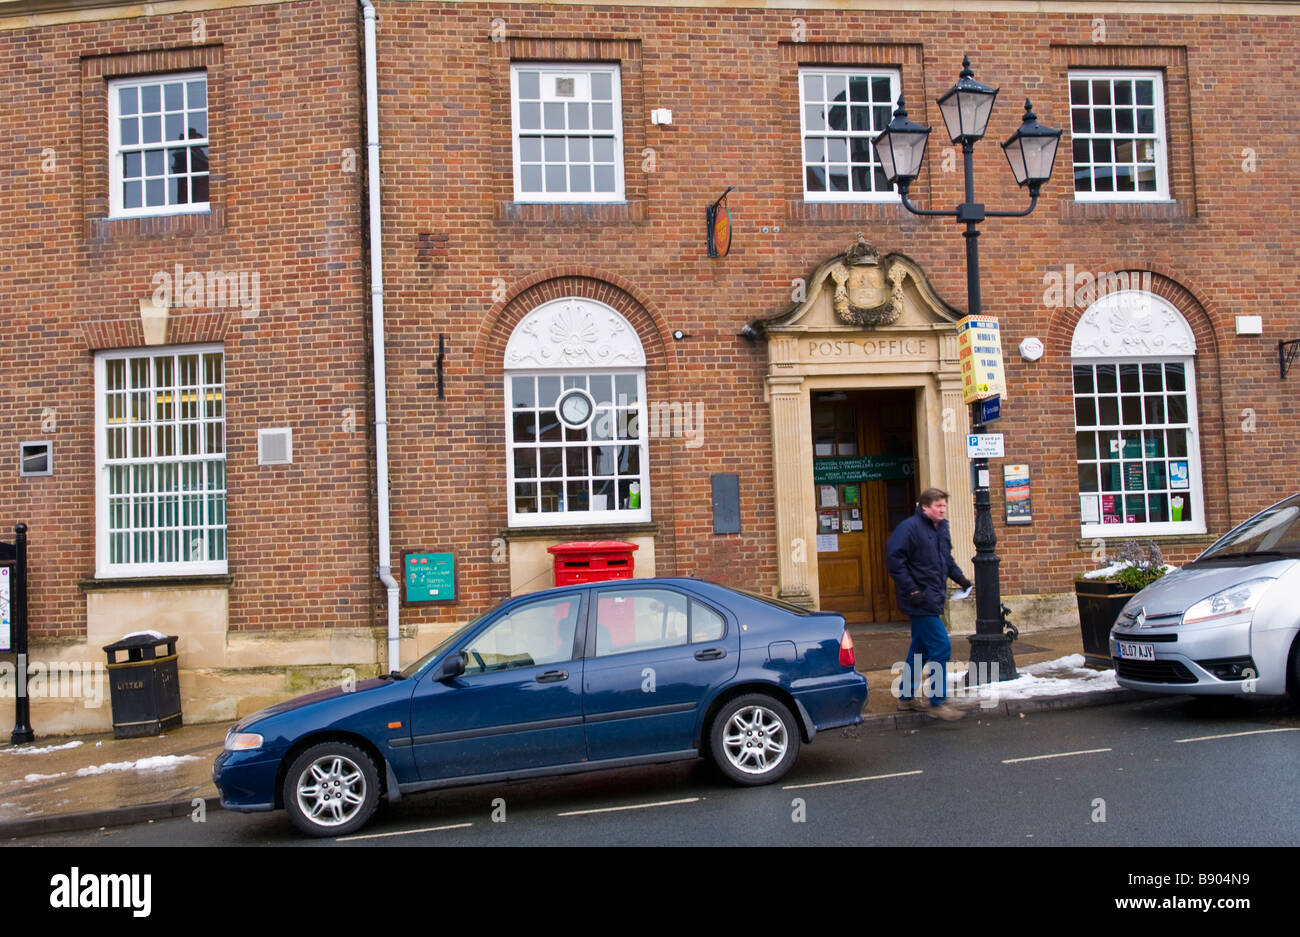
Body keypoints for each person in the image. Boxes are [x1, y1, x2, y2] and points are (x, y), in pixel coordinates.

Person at [885, 487, 972, 720]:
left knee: (920, 651)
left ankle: (905, 697)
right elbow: (894, 559)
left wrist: (961, 579)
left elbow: (946, 560)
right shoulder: (910, 528)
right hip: (918, 599)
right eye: (938, 506)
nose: (942, 510)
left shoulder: (942, 528)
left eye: (944, 506)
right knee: (941, 646)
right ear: (925, 507)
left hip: (933, 597)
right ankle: (937, 701)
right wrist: (911, 588)